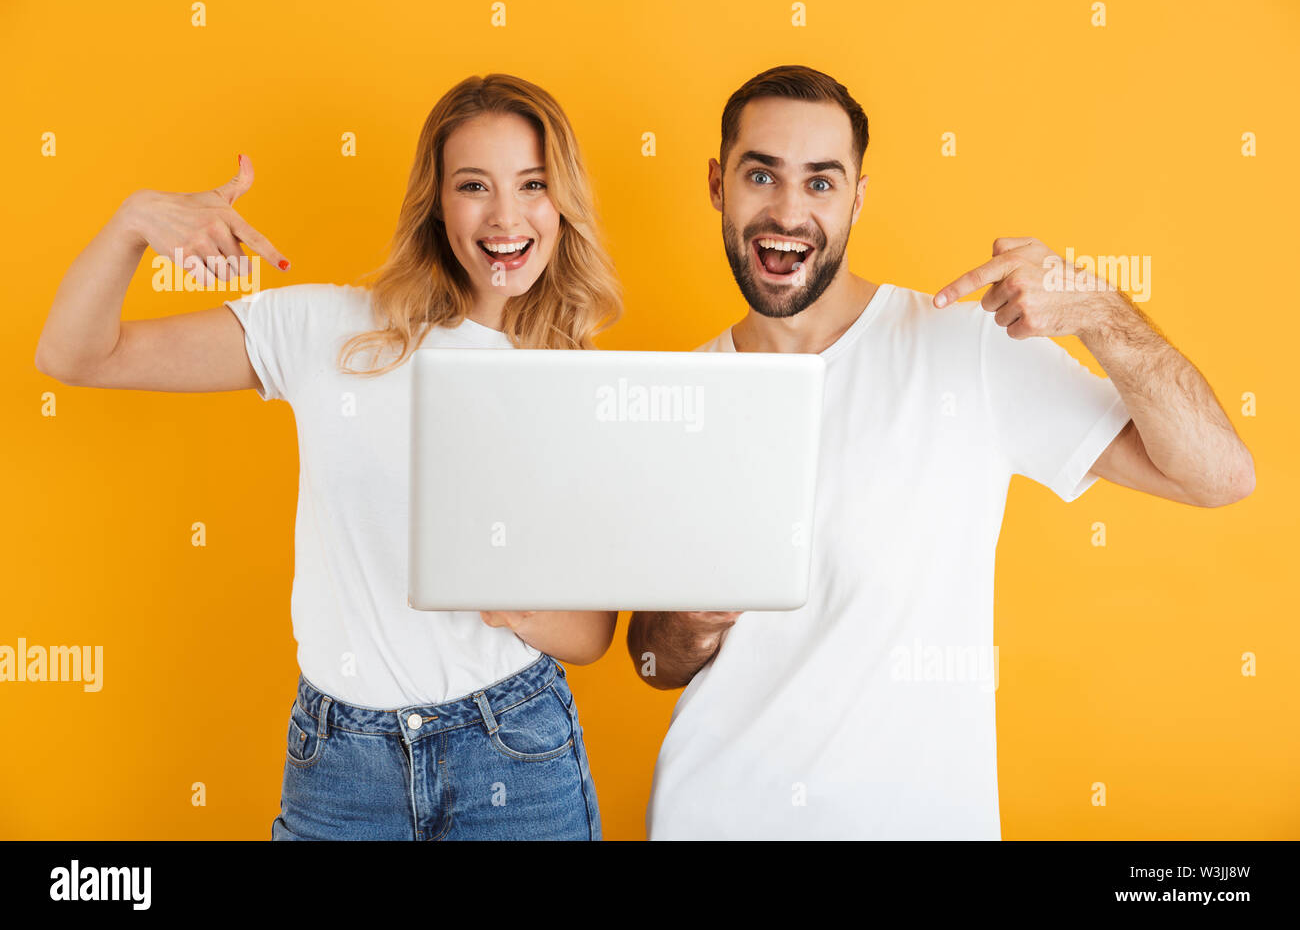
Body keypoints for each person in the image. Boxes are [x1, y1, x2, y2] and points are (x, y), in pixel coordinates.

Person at [627, 64, 1255, 840]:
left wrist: (1100, 308)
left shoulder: (968, 352)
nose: (788, 211)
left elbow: (1220, 475)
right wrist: (689, 621)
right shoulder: (674, 394)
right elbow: (652, 660)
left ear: (857, 197)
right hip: (711, 816)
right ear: (719, 184)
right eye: (762, 175)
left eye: (821, 183)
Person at [35, 74, 621, 841]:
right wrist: (134, 223)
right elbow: (77, 354)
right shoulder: (326, 330)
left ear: (560, 202)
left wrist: (508, 599)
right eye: (473, 185)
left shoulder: (577, 378)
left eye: (533, 184)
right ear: (437, 204)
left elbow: (594, 637)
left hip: (513, 746)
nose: (505, 216)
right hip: (341, 764)